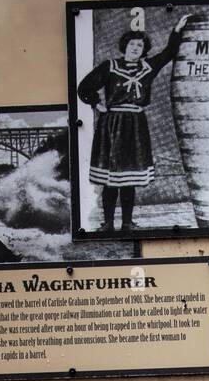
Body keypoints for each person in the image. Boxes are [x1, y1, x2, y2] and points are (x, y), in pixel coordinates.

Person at [77, 15, 189, 235]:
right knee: (110, 179)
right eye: (132, 44)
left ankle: (127, 223)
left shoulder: (148, 67)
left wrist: (177, 30)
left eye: (140, 45)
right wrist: (96, 104)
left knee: (129, 179)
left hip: (135, 126)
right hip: (112, 126)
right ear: (124, 47)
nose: (136, 48)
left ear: (144, 49)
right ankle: (108, 224)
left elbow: (169, 53)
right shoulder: (109, 67)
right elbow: (84, 88)